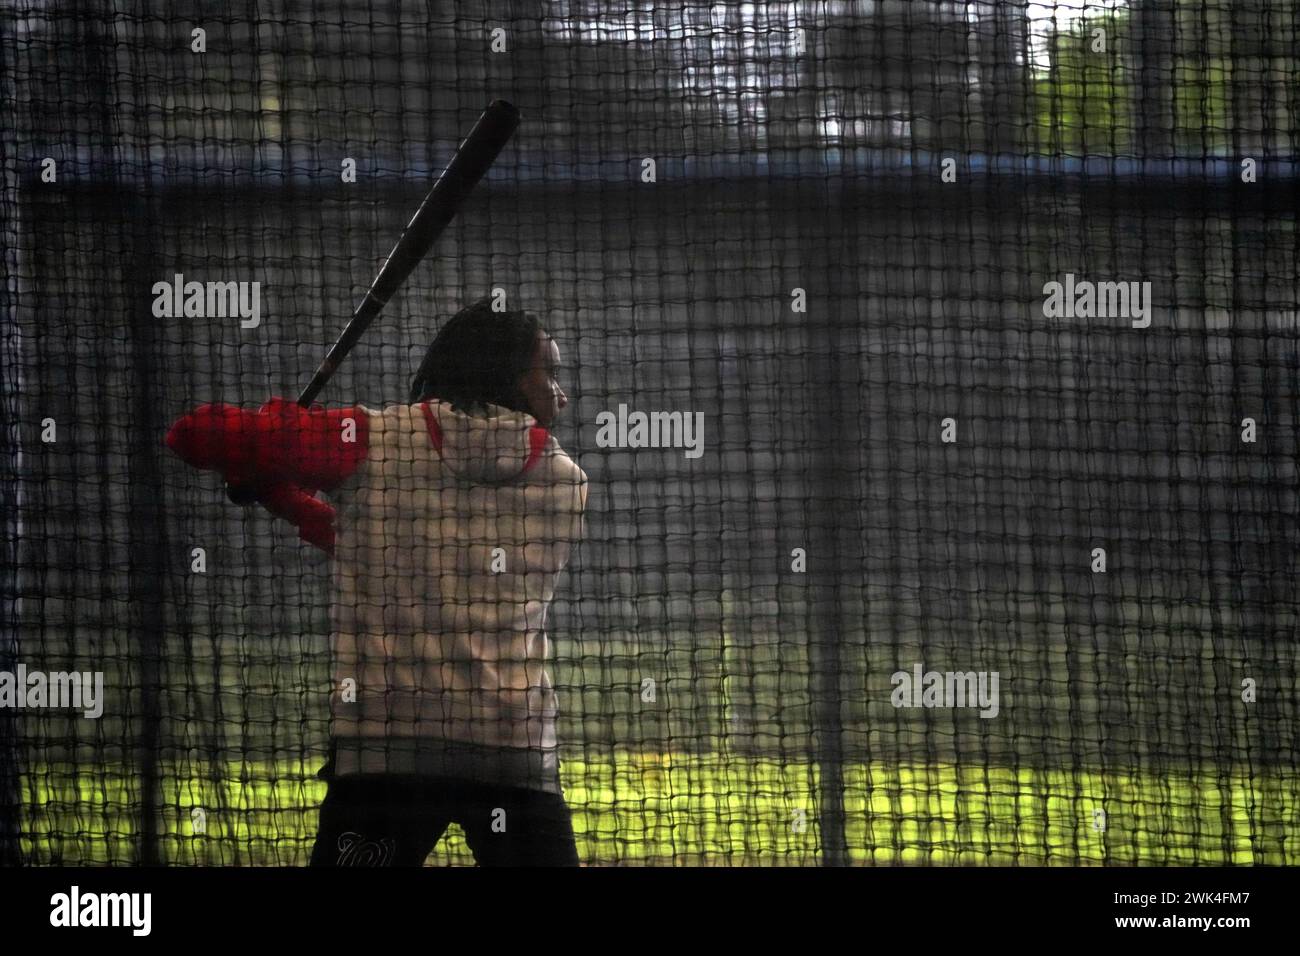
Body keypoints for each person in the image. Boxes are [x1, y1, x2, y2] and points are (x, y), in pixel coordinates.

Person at [165, 298, 588, 866]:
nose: (561, 393)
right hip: (511, 748)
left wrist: (280, 430)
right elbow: (388, 546)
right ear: (506, 377)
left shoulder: (373, 440)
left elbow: (192, 434)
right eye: (550, 373)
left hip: (388, 751)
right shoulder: (567, 482)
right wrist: (280, 491)